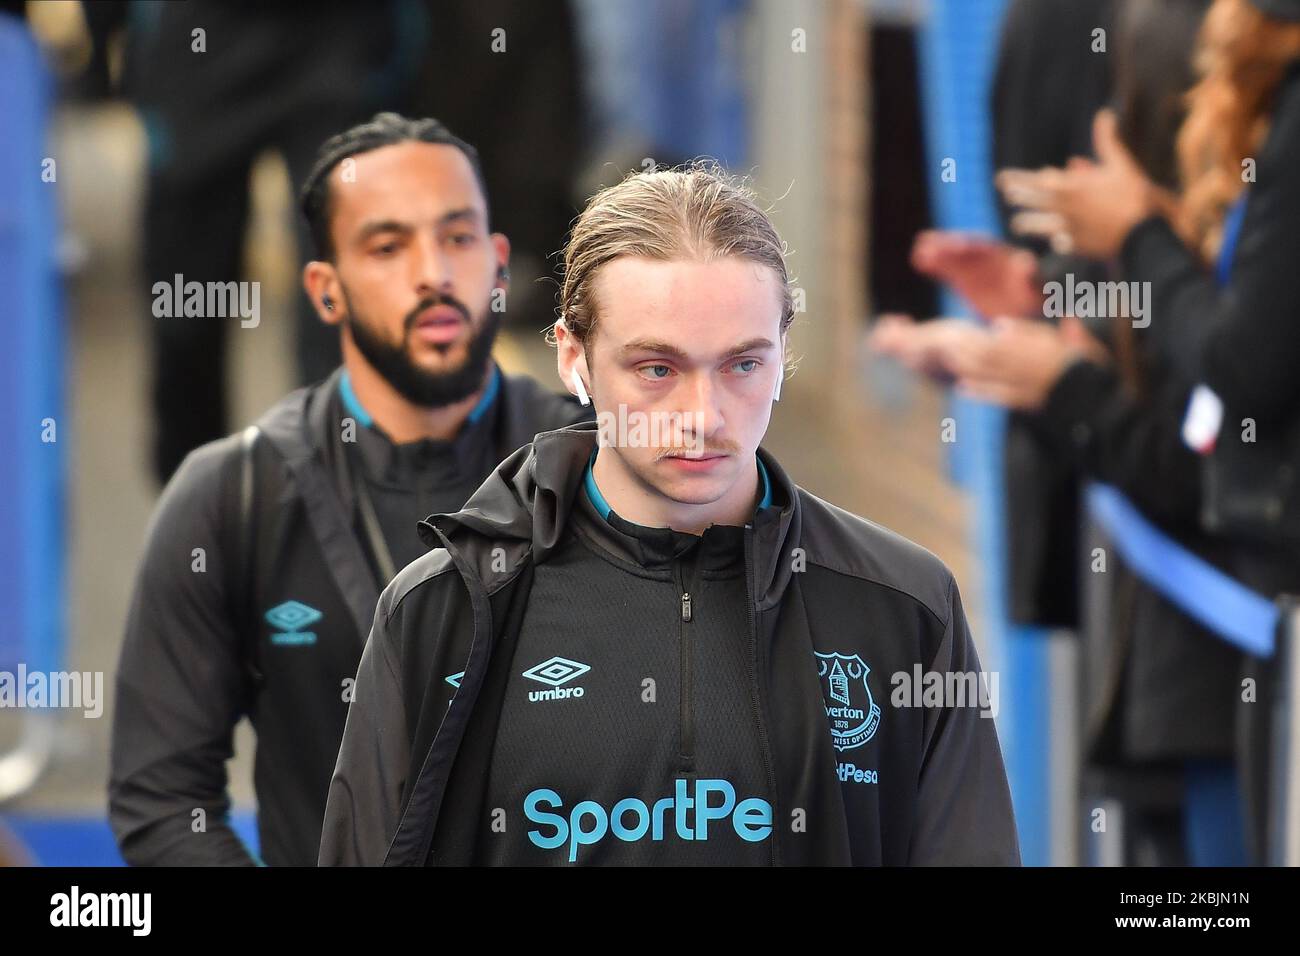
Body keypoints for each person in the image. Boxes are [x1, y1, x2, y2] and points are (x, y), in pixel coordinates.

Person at [319, 164, 1020, 866]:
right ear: (574, 359)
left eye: (742, 365)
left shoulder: (903, 606)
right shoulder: (445, 610)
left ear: (782, 357)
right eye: (657, 369)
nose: (702, 417)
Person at [109, 114, 592, 866]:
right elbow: (163, 801)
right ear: (325, 290)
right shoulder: (231, 495)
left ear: (499, 266)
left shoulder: (596, 468)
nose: (432, 272)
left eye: (458, 237)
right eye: (388, 246)